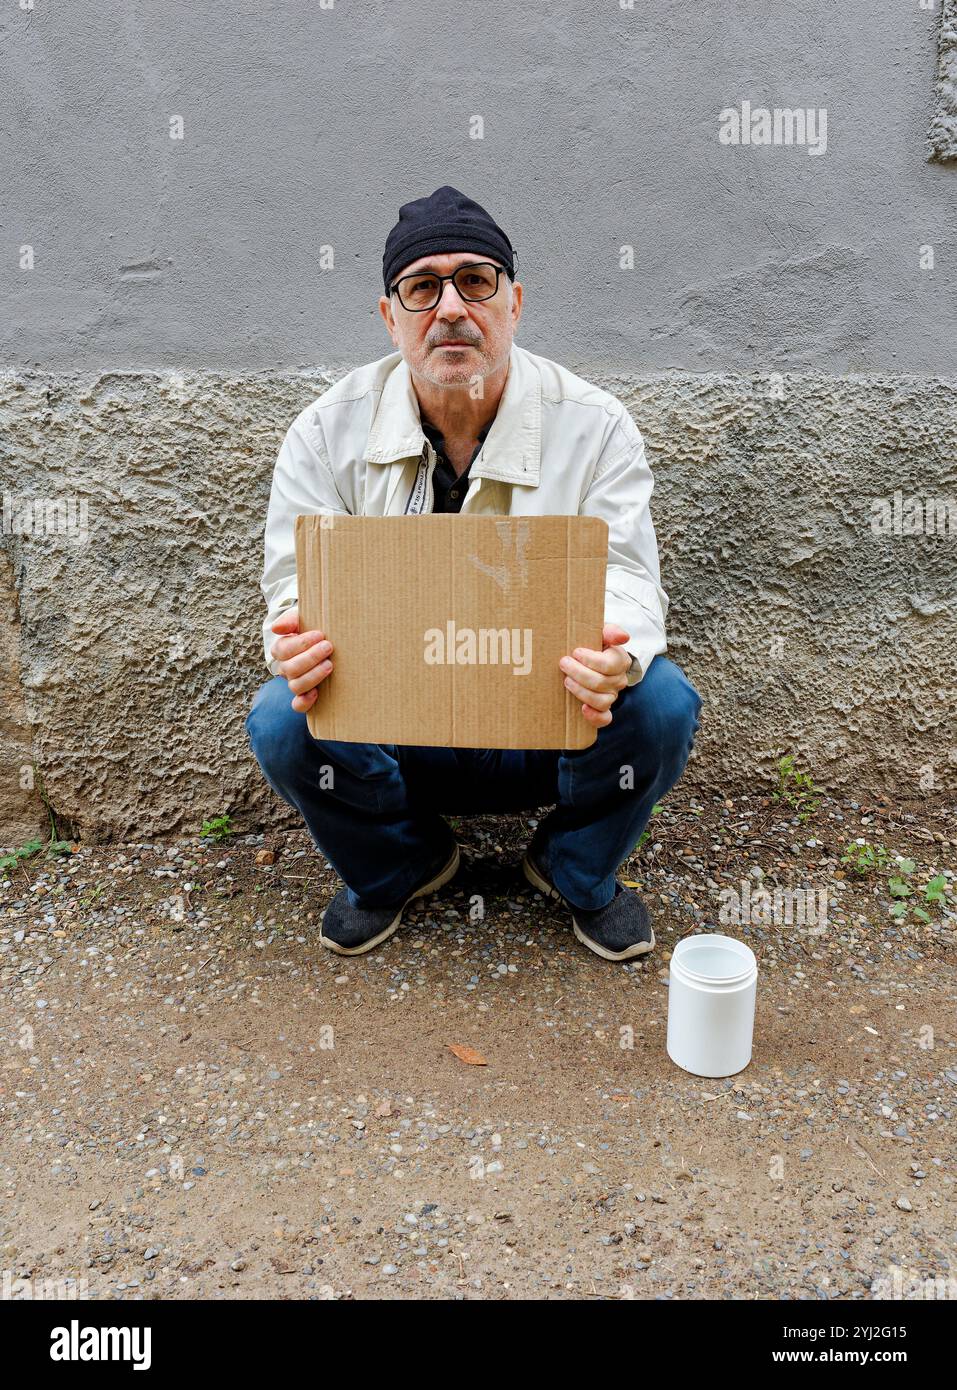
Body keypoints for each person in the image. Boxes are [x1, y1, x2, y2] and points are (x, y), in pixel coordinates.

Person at [246, 185, 702, 962]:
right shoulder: (326, 430)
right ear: (389, 317)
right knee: (283, 720)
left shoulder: (593, 424)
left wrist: (613, 656)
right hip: (399, 731)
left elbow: (628, 575)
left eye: (475, 281)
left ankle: (572, 868)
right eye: (422, 287)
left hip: (545, 723)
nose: (450, 307)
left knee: (659, 703)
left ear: (514, 303)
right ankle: (404, 863)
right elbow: (293, 580)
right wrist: (293, 641)